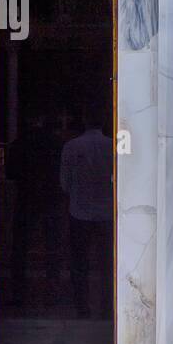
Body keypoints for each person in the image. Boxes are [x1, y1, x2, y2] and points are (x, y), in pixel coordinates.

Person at [59, 106, 113, 318]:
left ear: (84, 120)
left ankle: (82, 307)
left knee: (79, 262)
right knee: (107, 262)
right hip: (107, 212)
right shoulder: (112, 146)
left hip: (79, 211)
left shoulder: (72, 146)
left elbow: (64, 182)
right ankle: (107, 306)